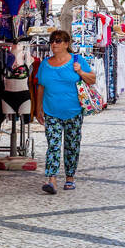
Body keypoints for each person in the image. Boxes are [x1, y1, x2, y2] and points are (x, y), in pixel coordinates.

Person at [32, 29, 98, 195]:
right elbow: (41, 87)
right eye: (52, 41)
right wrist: (37, 109)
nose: (54, 44)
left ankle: (70, 177)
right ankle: (52, 179)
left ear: (67, 44)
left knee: (72, 146)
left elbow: (92, 79)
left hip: (74, 111)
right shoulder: (45, 64)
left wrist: (80, 72)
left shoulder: (77, 60)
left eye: (58, 40)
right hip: (51, 112)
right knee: (53, 145)